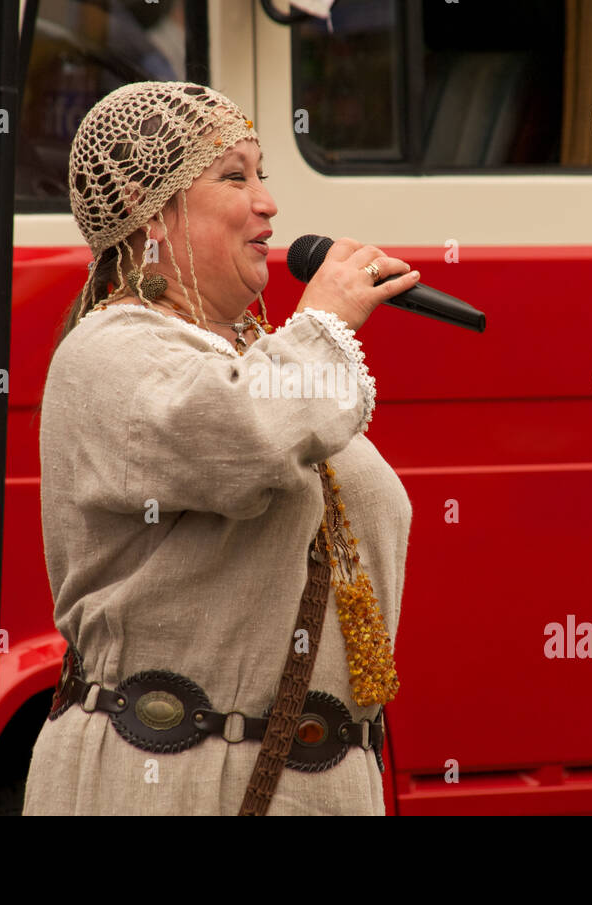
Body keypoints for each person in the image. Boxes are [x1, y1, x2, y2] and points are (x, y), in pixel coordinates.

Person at [23, 81, 418, 815]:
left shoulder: (264, 358)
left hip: (316, 787)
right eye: (234, 176)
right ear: (153, 213)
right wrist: (324, 321)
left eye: (263, 173)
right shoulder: (108, 353)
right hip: (170, 785)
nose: (268, 202)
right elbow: (246, 438)